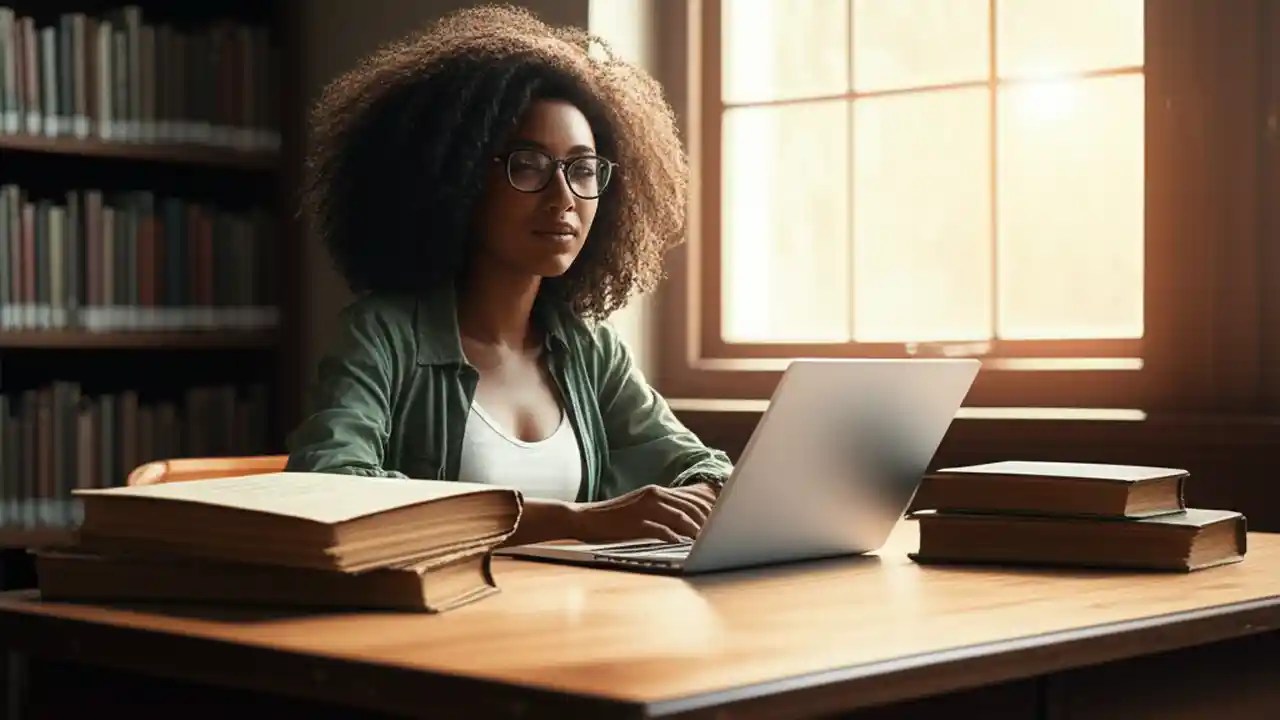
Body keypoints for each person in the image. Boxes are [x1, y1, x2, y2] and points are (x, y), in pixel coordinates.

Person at [286, 6, 733, 547]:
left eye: (583, 169)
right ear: (459, 177)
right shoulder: (381, 336)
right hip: (434, 601)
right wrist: (574, 521)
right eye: (528, 165)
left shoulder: (589, 350)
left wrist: (705, 495)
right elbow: (330, 487)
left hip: (575, 601)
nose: (564, 198)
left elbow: (704, 467)